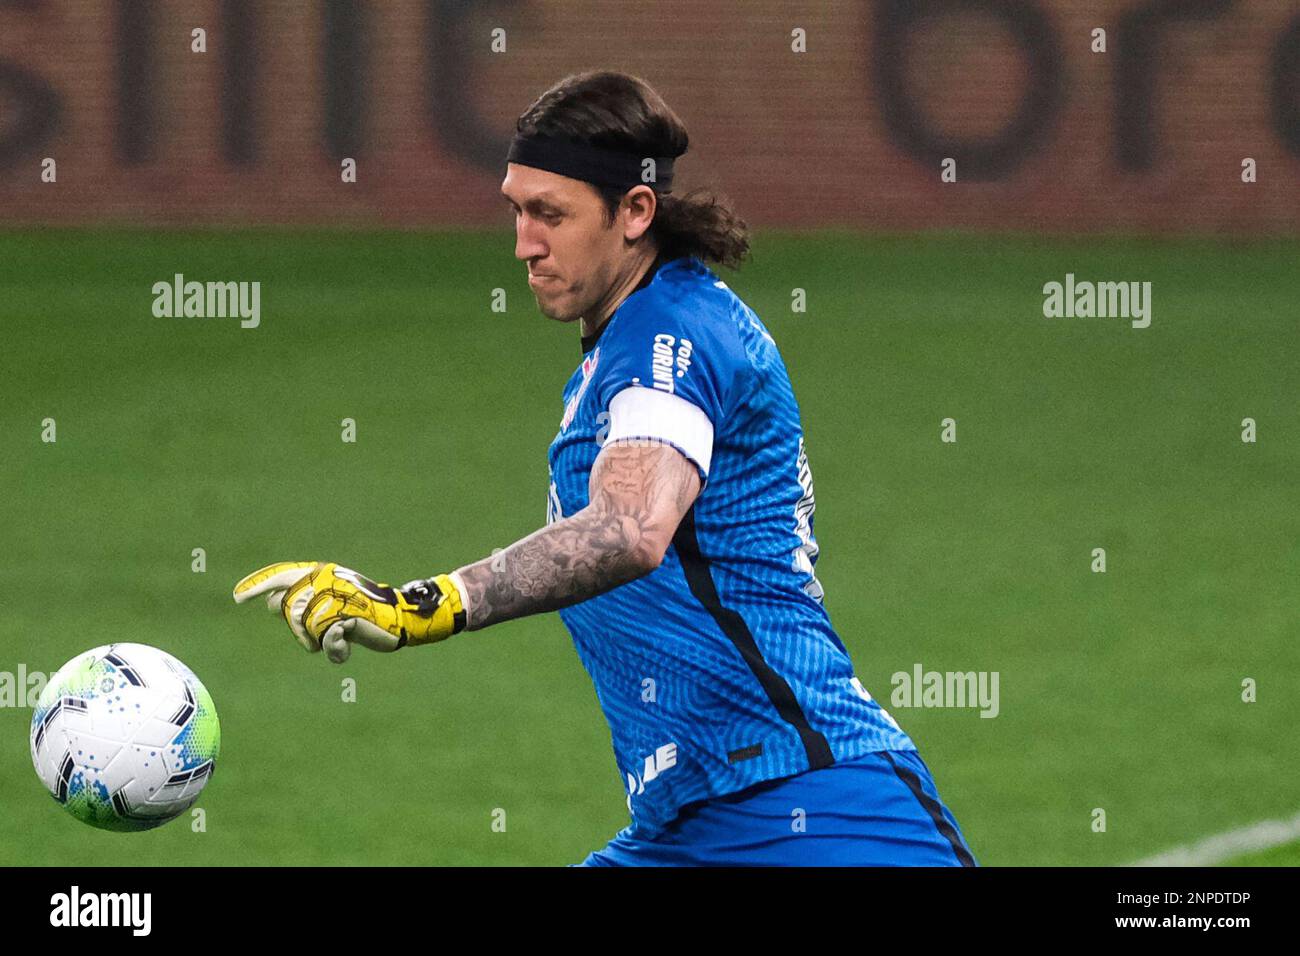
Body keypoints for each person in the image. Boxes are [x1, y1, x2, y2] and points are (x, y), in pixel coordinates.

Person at [234, 70, 975, 867]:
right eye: (516, 210)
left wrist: (429, 604)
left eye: (550, 214)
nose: (523, 243)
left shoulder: (674, 335)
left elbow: (630, 529)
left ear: (635, 211)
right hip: (688, 825)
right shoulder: (625, 346)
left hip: (815, 809)